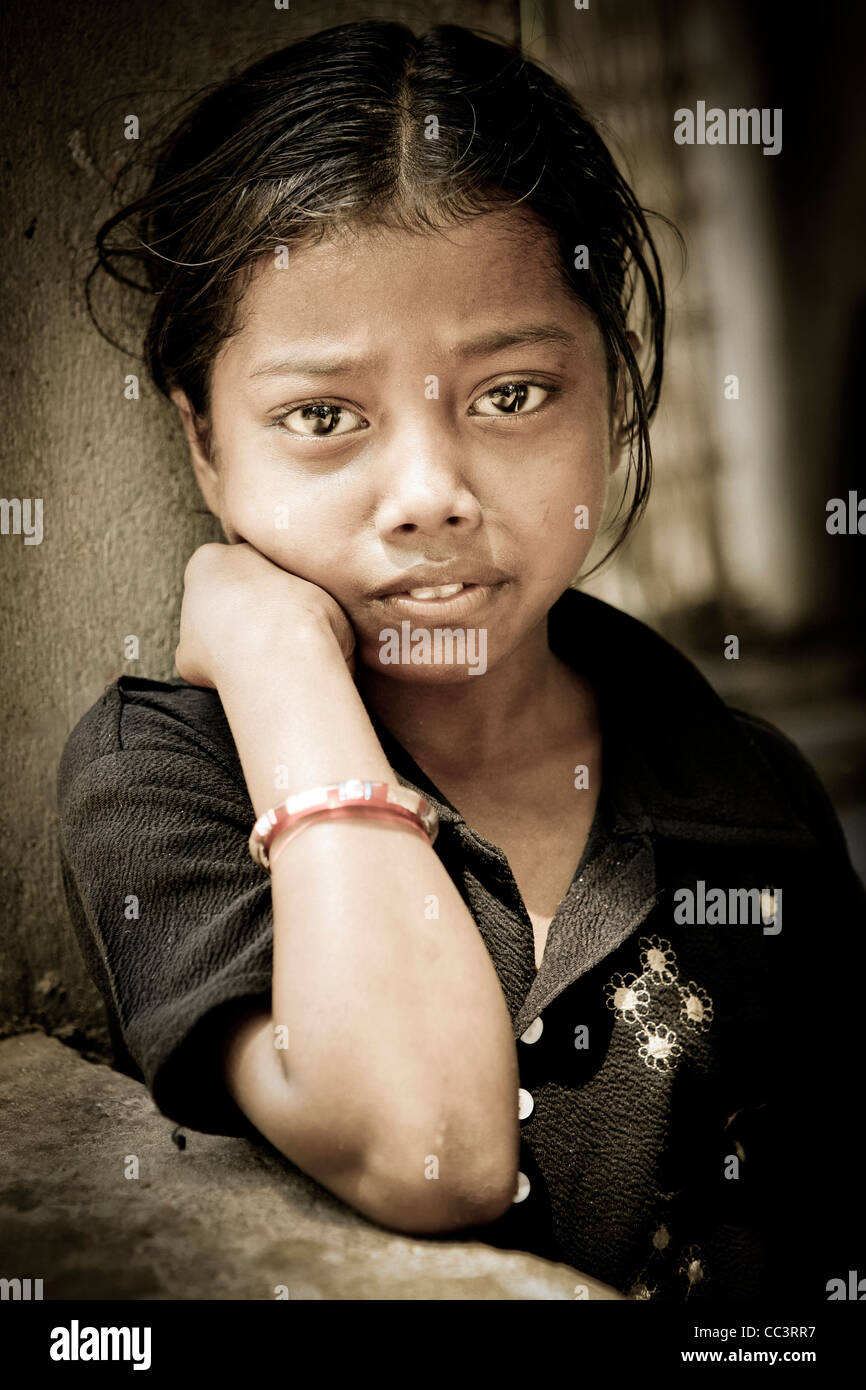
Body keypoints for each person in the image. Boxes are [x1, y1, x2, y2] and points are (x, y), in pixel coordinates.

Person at [58, 19, 865, 1301]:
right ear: (203, 442)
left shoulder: (749, 797)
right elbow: (430, 1148)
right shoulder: (170, 783)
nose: (429, 494)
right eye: (323, 417)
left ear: (612, 381)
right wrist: (278, 660)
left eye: (509, 395)